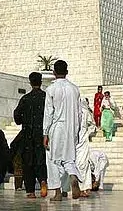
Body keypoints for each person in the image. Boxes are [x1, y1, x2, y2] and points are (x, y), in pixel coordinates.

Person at [43, 59, 83, 201]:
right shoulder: (74, 89)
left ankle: (58, 192)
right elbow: (79, 113)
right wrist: (77, 131)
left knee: (53, 160)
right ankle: (73, 176)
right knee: (69, 158)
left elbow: (49, 113)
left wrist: (45, 133)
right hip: (71, 127)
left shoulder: (51, 89)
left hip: (57, 127)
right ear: (66, 72)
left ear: (54, 73)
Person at [13, 72, 48, 198]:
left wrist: (24, 120)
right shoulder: (46, 97)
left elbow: (17, 116)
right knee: (41, 159)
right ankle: (43, 180)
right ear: (41, 82)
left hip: (28, 134)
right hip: (42, 133)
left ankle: (31, 191)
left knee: (28, 162)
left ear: (30, 82)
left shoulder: (25, 99)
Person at [76, 98, 96, 197]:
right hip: (74, 141)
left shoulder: (85, 111)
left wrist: (87, 133)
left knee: (83, 164)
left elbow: (92, 124)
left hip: (83, 141)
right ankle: (79, 188)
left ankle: (84, 188)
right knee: (77, 164)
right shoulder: (72, 110)